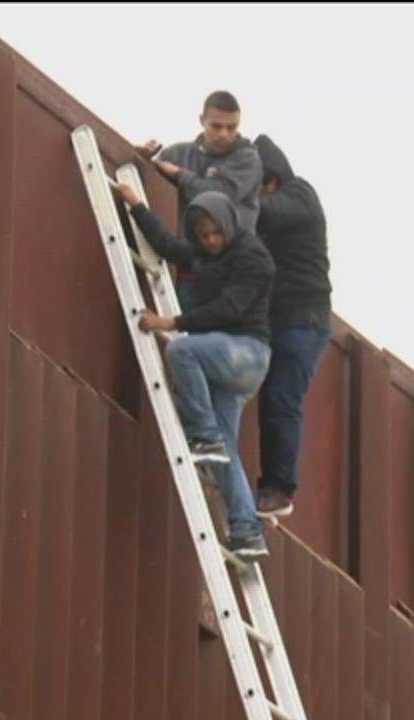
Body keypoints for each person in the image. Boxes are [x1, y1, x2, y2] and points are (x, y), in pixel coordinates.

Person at [110, 181, 276, 562]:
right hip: (221, 361)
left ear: (230, 225)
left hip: (247, 355)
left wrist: (171, 322)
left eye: (217, 232)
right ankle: (247, 531)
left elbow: (231, 310)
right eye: (204, 236)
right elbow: (168, 246)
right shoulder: (204, 254)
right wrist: (136, 205)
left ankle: (203, 435)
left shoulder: (253, 257)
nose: (213, 241)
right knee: (225, 454)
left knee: (182, 350)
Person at [250, 135, 333, 520]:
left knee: (281, 397)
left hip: (304, 320)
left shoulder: (300, 195)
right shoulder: (261, 210)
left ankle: (279, 488)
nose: (262, 189)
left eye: (265, 182)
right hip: (270, 319)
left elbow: (267, 212)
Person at [134, 90, 263, 311]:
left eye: (231, 127)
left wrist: (179, 175)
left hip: (225, 276)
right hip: (185, 269)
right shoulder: (179, 154)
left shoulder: (247, 159)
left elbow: (217, 198)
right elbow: (150, 170)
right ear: (202, 120)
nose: (224, 134)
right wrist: (142, 157)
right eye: (216, 126)